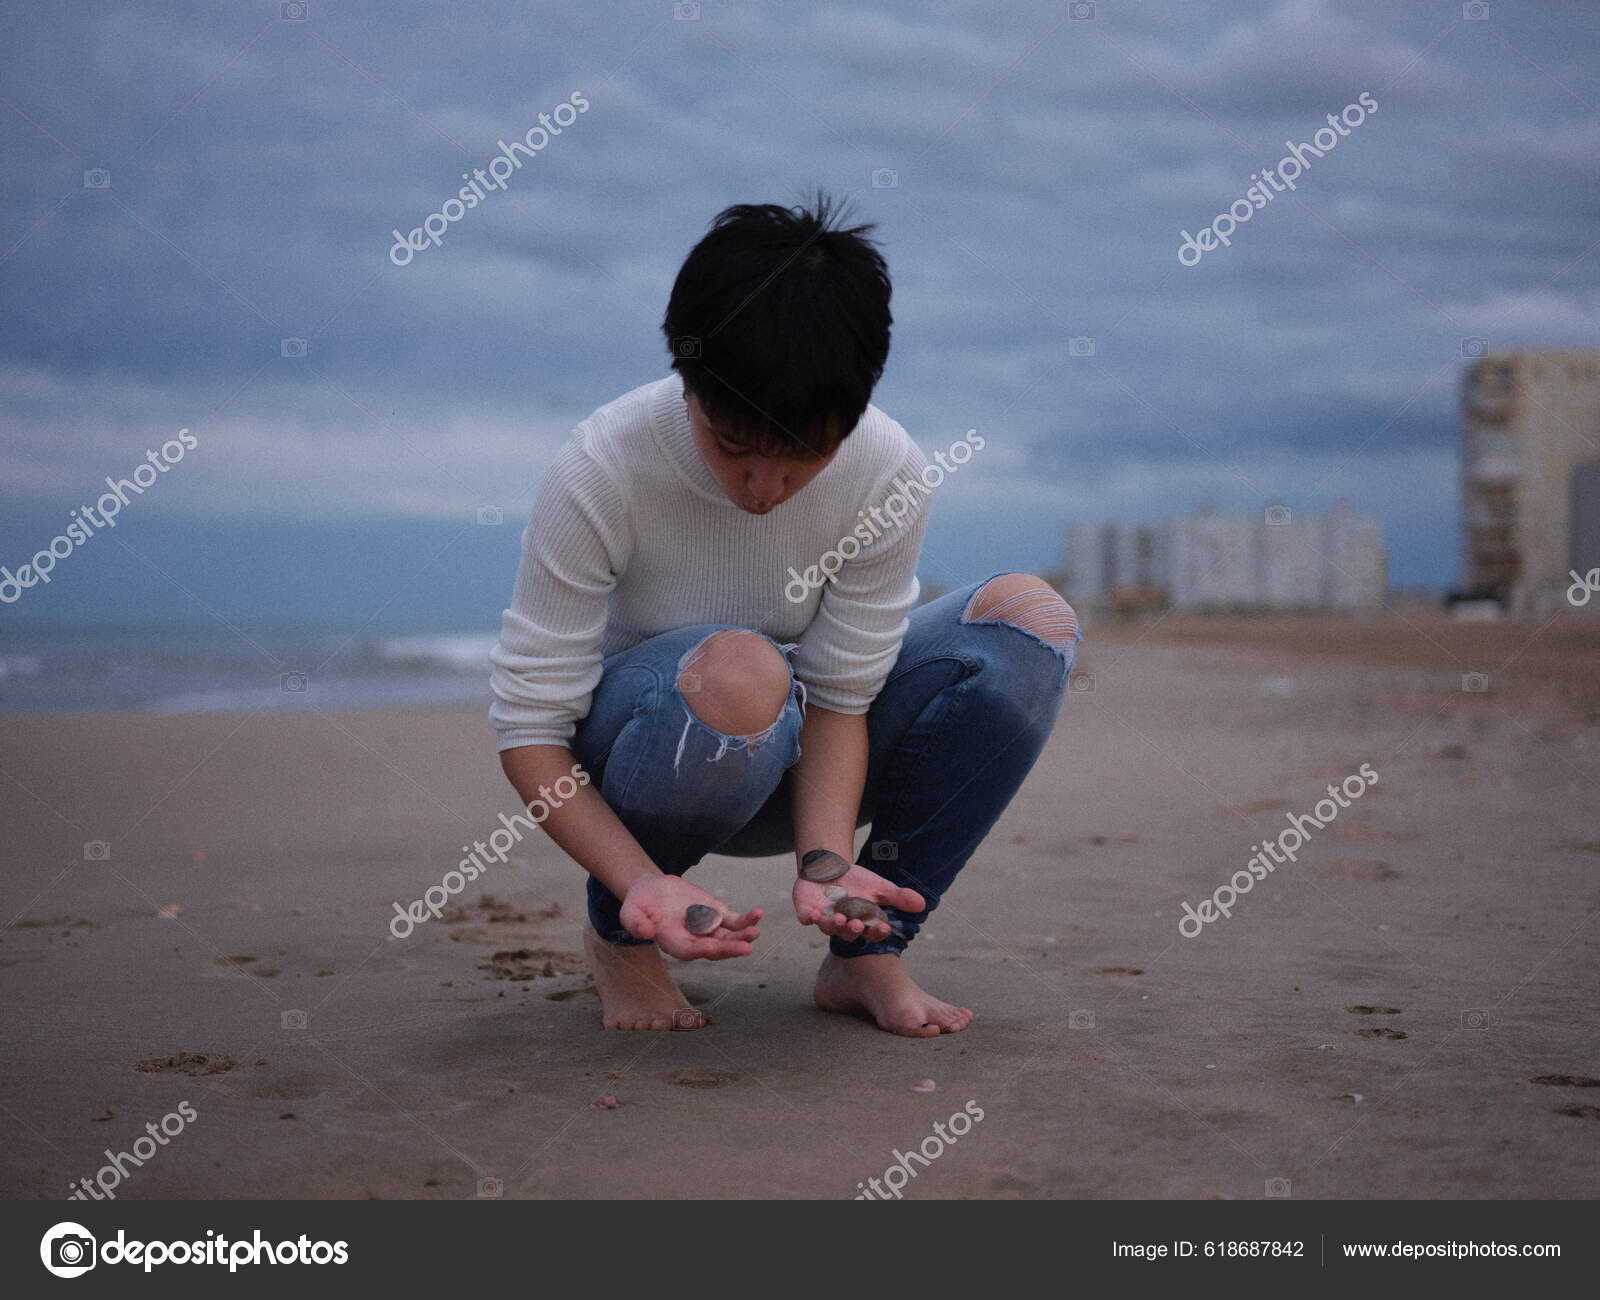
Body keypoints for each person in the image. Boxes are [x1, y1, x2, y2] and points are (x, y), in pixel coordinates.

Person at [490, 193, 1080, 1037]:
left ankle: (866, 952)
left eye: (803, 455)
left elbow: (843, 693)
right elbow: (529, 728)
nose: (764, 487)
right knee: (743, 668)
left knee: (1034, 620)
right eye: (734, 449)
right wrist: (636, 884)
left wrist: (827, 863)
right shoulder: (602, 465)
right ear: (687, 379)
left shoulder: (887, 471)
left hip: (808, 764)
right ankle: (624, 939)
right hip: (652, 757)